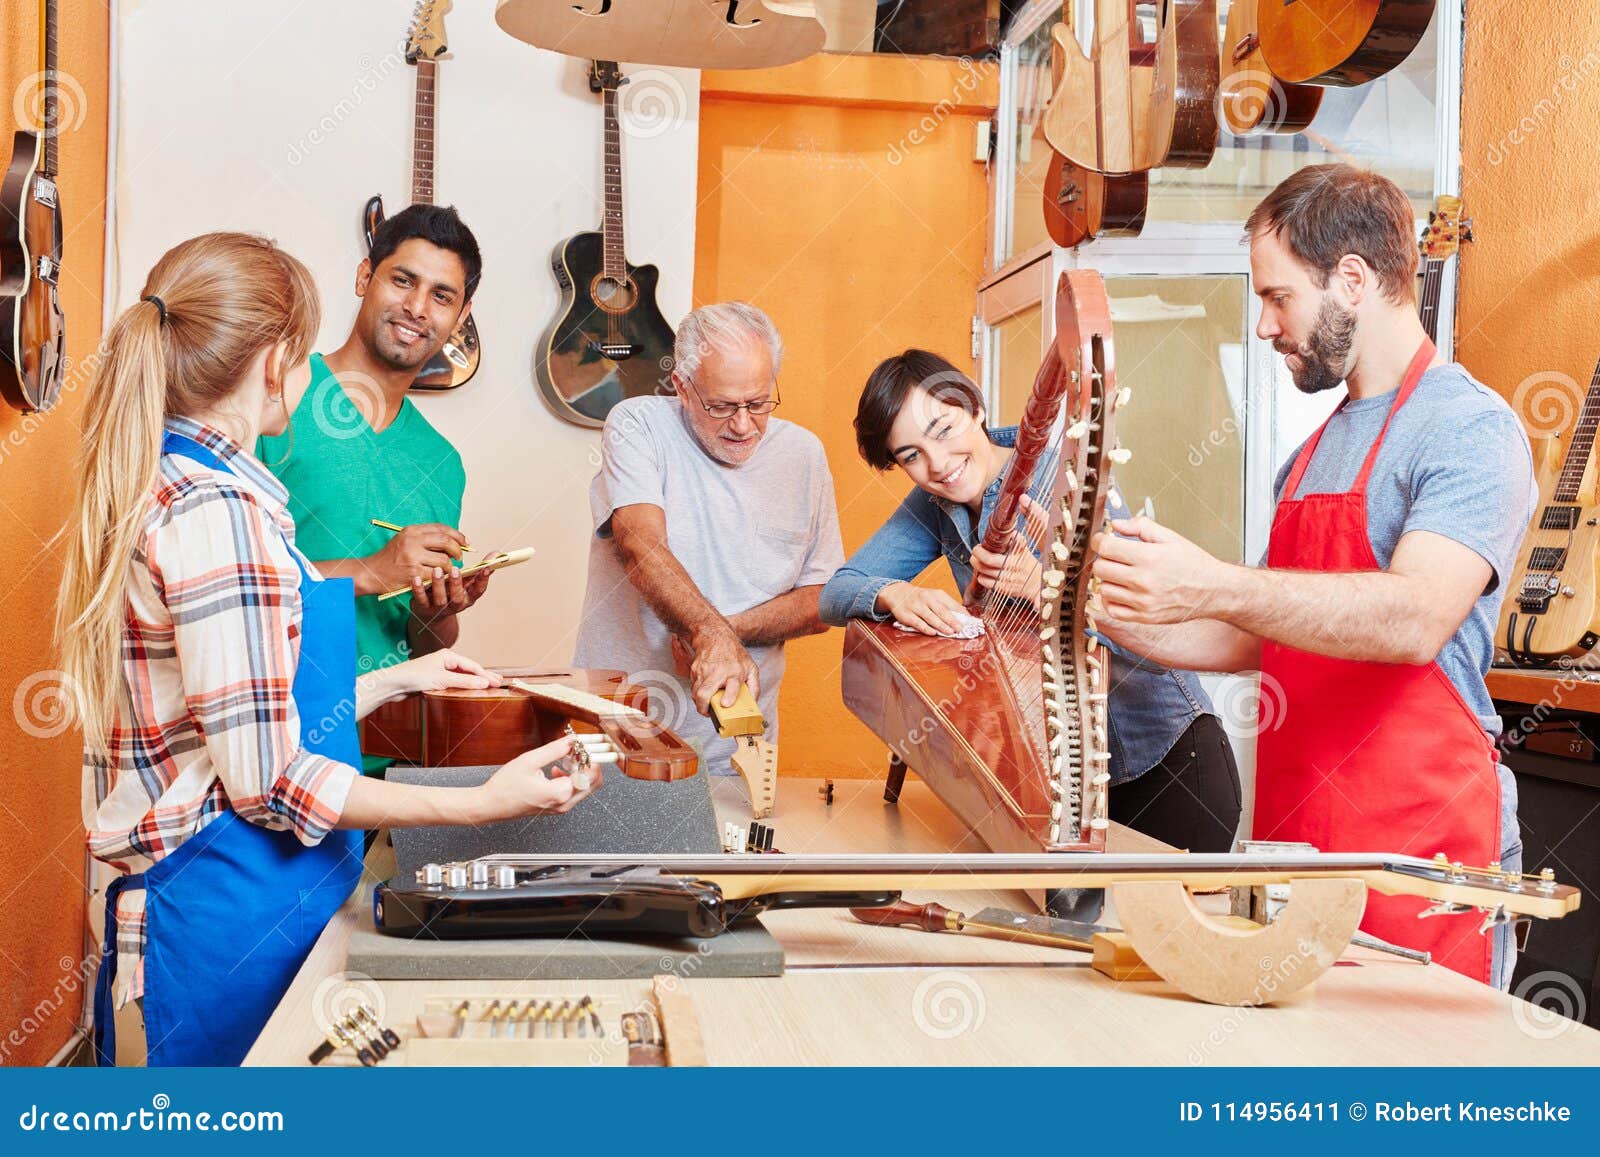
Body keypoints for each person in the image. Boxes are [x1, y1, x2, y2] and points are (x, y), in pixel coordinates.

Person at [58, 233, 598, 1067]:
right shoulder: (217, 516)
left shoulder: (204, 489)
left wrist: (400, 675)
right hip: (217, 914)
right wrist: (484, 801)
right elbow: (269, 775)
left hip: (252, 899)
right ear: (275, 361)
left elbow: (248, 696)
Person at [1088, 164, 1536, 988]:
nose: (1263, 325)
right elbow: (1261, 637)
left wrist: (1212, 580)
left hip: (1419, 854)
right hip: (1298, 845)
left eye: (1277, 296)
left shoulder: (1470, 428)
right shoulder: (1305, 458)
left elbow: (1412, 619)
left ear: (1354, 280)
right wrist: (1093, 595)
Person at [819, 350, 1241, 861]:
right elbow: (837, 592)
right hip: (1064, 786)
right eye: (909, 455)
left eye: (944, 429)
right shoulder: (937, 501)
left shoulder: (1061, 477)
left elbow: (1155, 633)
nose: (937, 463)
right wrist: (894, 592)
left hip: (1167, 763)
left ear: (974, 408)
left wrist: (1049, 589)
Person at [257, 204, 487, 773]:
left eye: (442, 295)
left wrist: (436, 613)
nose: (417, 308)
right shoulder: (272, 398)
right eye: (402, 280)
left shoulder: (442, 463)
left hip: (388, 755)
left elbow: (425, 645)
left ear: (461, 317)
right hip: (269, 738)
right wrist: (373, 570)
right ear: (365, 277)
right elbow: (227, 576)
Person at [573, 302, 843, 779]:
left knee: (726, 849)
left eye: (758, 403)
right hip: (621, 734)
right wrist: (710, 634)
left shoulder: (803, 454)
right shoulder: (638, 424)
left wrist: (721, 633)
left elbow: (821, 599)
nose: (742, 425)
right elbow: (639, 544)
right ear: (681, 386)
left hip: (735, 751)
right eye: (720, 406)